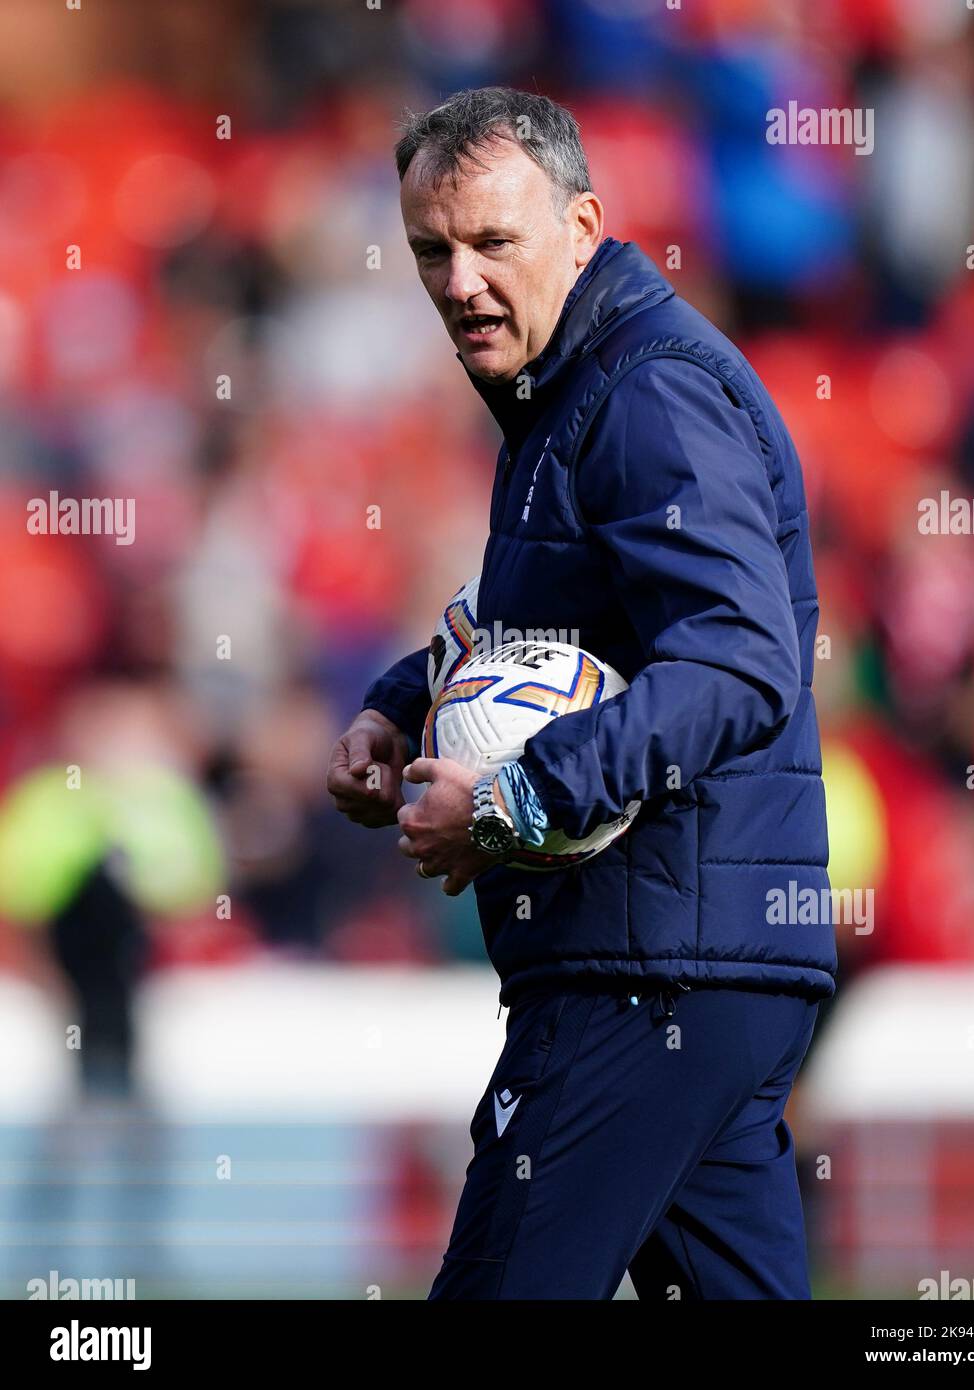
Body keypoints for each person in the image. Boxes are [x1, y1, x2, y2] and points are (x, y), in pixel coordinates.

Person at [326, 87, 836, 1300]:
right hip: (703, 966)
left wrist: (512, 803)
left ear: (583, 225)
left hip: (644, 971)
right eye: (431, 251)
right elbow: (558, 624)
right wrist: (404, 703)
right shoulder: (570, 392)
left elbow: (736, 661)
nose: (459, 282)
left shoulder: (642, 390)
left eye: (494, 242)